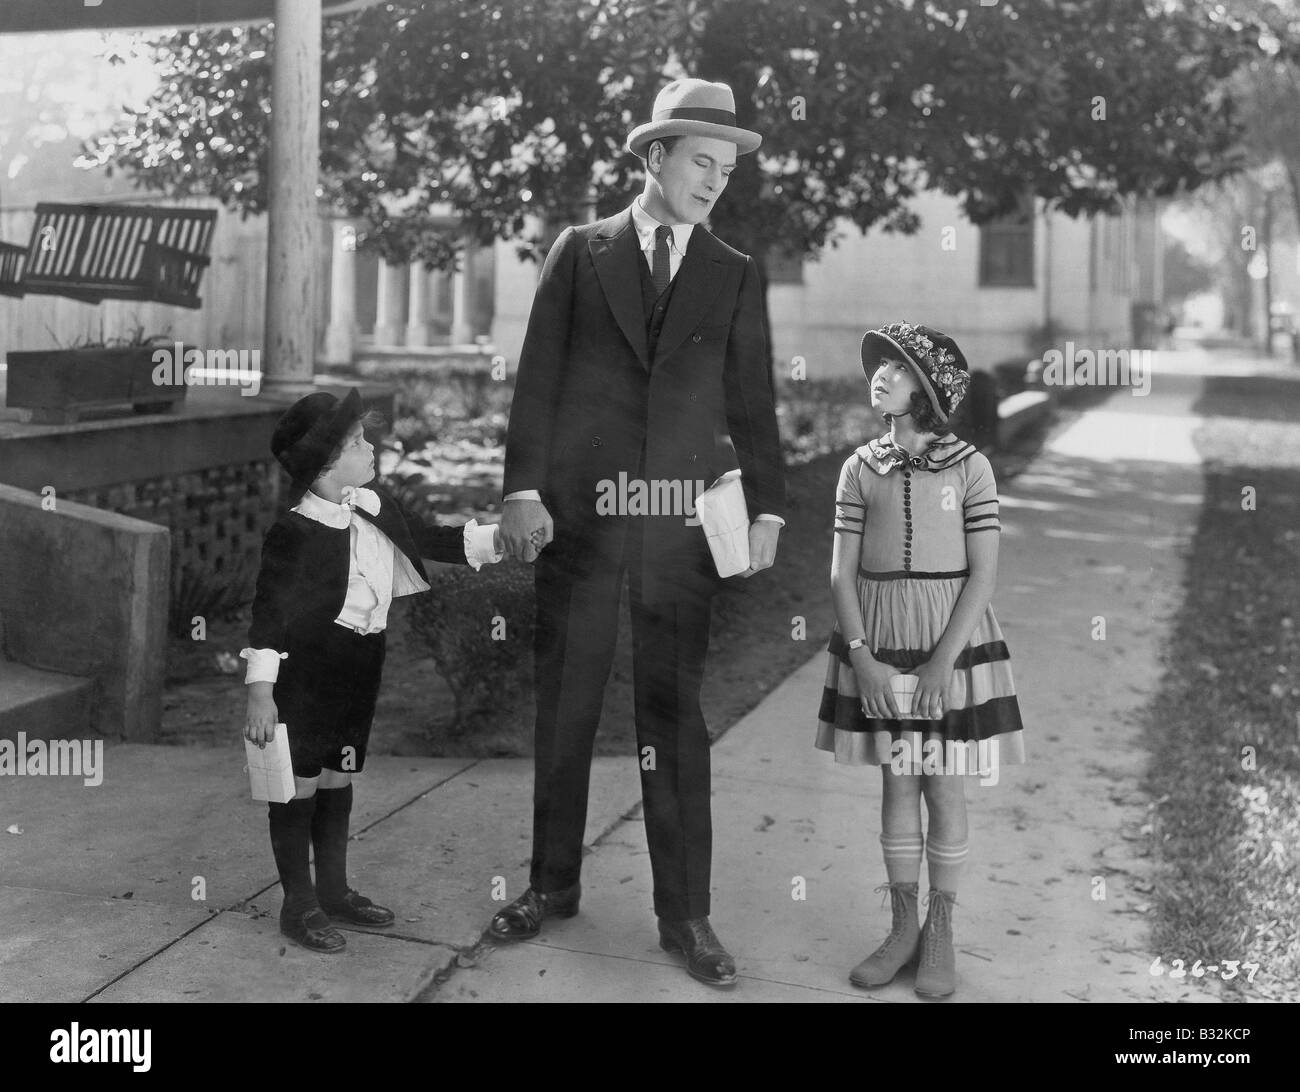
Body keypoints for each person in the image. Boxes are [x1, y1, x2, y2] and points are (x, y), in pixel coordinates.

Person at [491, 78, 786, 987]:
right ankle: (550, 886)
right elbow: (537, 378)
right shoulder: (581, 254)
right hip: (581, 519)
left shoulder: (733, 272)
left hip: (680, 534)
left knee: (673, 717)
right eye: (702, 162)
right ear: (654, 157)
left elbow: (753, 400)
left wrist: (769, 506)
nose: (714, 183)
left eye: (727, 170)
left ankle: (685, 916)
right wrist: (522, 491)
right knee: (567, 704)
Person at [241, 388, 503, 953]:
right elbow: (268, 617)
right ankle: (298, 903)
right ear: (326, 464)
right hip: (307, 671)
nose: (371, 447)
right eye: (359, 442)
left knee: (339, 772)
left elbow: (430, 538)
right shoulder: (295, 532)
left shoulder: (373, 502)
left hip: (362, 659)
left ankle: (334, 890)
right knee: (296, 781)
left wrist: (493, 538)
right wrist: (261, 693)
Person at [815, 322, 1025, 999]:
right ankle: (902, 926)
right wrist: (863, 659)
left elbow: (983, 577)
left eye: (898, 368)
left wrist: (942, 664)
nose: (881, 374)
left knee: (942, 780)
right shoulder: (858, 468)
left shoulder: (970, 468)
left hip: (949, 644)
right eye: (879, 365)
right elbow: (841, 576)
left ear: (929, 389)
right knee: (898, 781)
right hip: (879, 641)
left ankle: (940, 931)